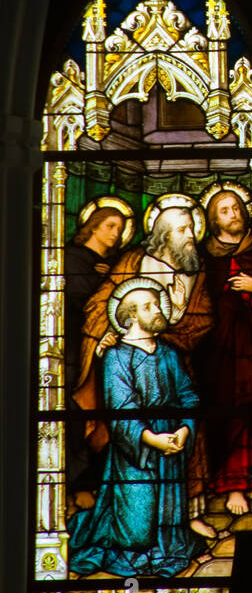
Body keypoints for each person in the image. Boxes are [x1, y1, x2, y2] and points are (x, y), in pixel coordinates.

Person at [74, 194, 215, 538]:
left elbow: (205, 316)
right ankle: (129, 512)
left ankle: (188, 511)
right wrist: (111, 332)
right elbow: (101, 302)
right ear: (165, 233)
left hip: (175, 359)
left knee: (190, 435)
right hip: (131, 356)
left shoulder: (196, 268)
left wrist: (170, 334)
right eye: (183, 229)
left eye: (192, 228)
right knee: (126, 429)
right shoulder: (135, 259)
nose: (190, 236)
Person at [67, 279, 206, 578]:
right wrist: (151, 440)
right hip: (135, 450)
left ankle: (165, 549)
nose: (158, 309)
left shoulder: (168, 353)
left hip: (171, 440)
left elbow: (189, 395)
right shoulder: (116, 357)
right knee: (135, 514)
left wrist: (184, 430)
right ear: (130, 317)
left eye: (157, 303)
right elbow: (122, 408)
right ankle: (127, 548)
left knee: (168, 516)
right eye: (148, 306)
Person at [200, 183, 252, 517]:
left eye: (237, 207)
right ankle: (231, 484)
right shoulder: (204, 255)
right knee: (226, 413)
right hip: (216, 351)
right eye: (225, 210)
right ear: (213, 220)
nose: (234, 214)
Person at [64, 197, 134, 505]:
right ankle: (78, 483)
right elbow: (85, 300)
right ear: (92, 226)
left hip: (107, 351)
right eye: (109, 226)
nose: (115, 234)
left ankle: (102, 482)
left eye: (120, 229)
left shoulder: (112, 265)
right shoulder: (72, 259)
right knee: (79, 411)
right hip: (75, 349)